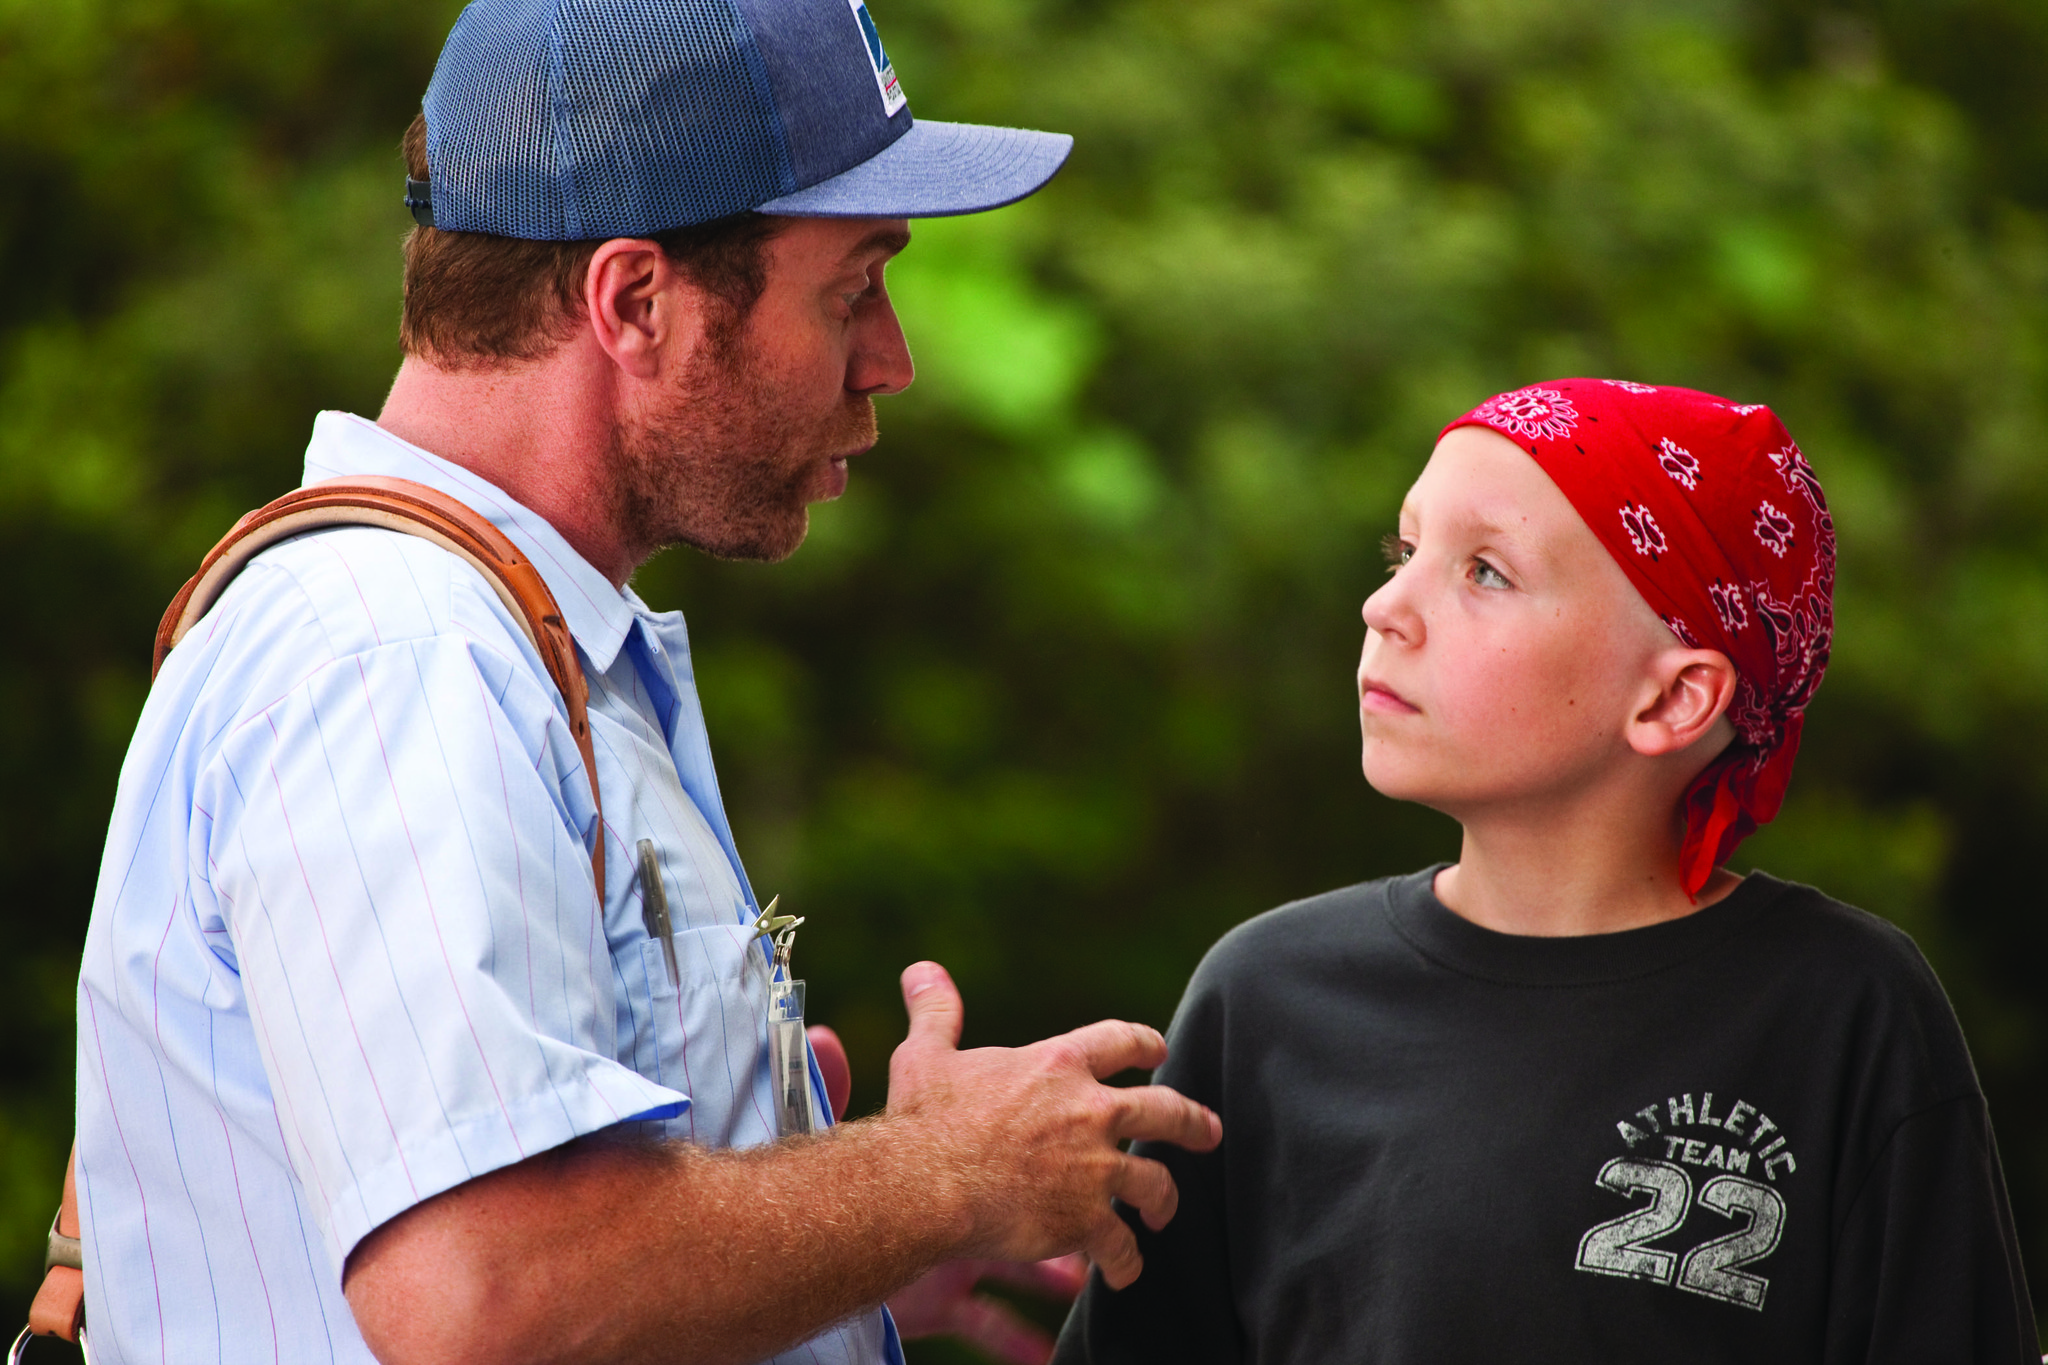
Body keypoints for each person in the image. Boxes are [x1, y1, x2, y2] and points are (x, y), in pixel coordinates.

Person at [72, 0, 1222, 1361]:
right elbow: (489, 1300)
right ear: (633, 301)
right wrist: (938, 1174)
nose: (892, 360)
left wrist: (841, 1262)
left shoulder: (494, 637)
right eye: (851, 287)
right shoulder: (399, 654)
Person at [1053, 380, 2039, 1362]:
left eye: (1483, 571)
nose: (1383, 604)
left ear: (1672, 700)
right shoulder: (1264, 997)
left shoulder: (1847, 1014)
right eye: (1403, 550)